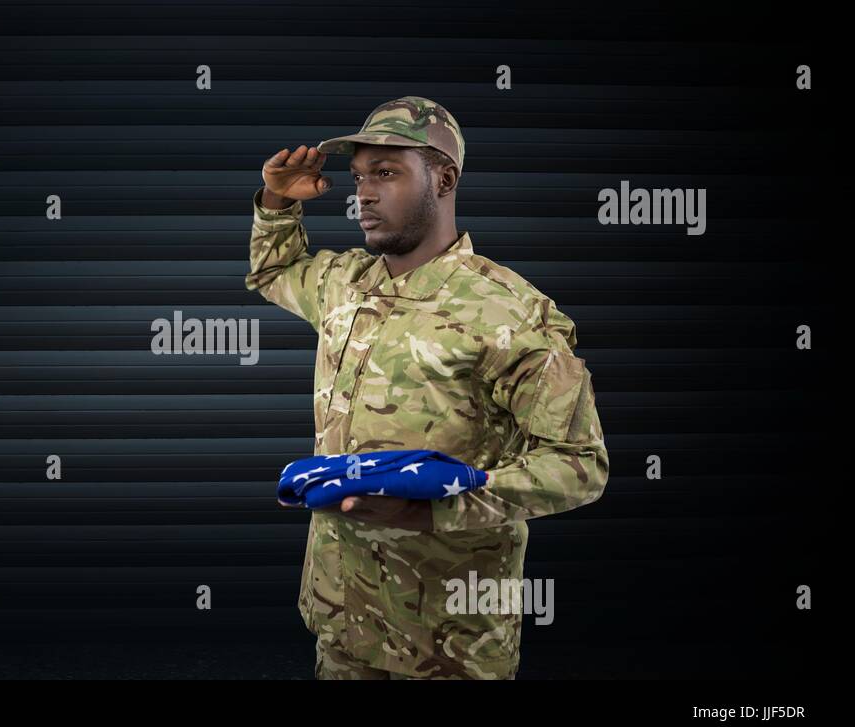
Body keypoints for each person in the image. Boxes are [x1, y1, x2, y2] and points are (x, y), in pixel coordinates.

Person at [246, 97, 609, 679]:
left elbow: (579, 465)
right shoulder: (345, 283)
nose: (362, 193)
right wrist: (277, 203)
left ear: (443, 178)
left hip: (448, 639)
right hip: (342, 615)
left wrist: (440, 506)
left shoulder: (506, 312)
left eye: (386, 173)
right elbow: (271, 271)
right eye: (360, 176)